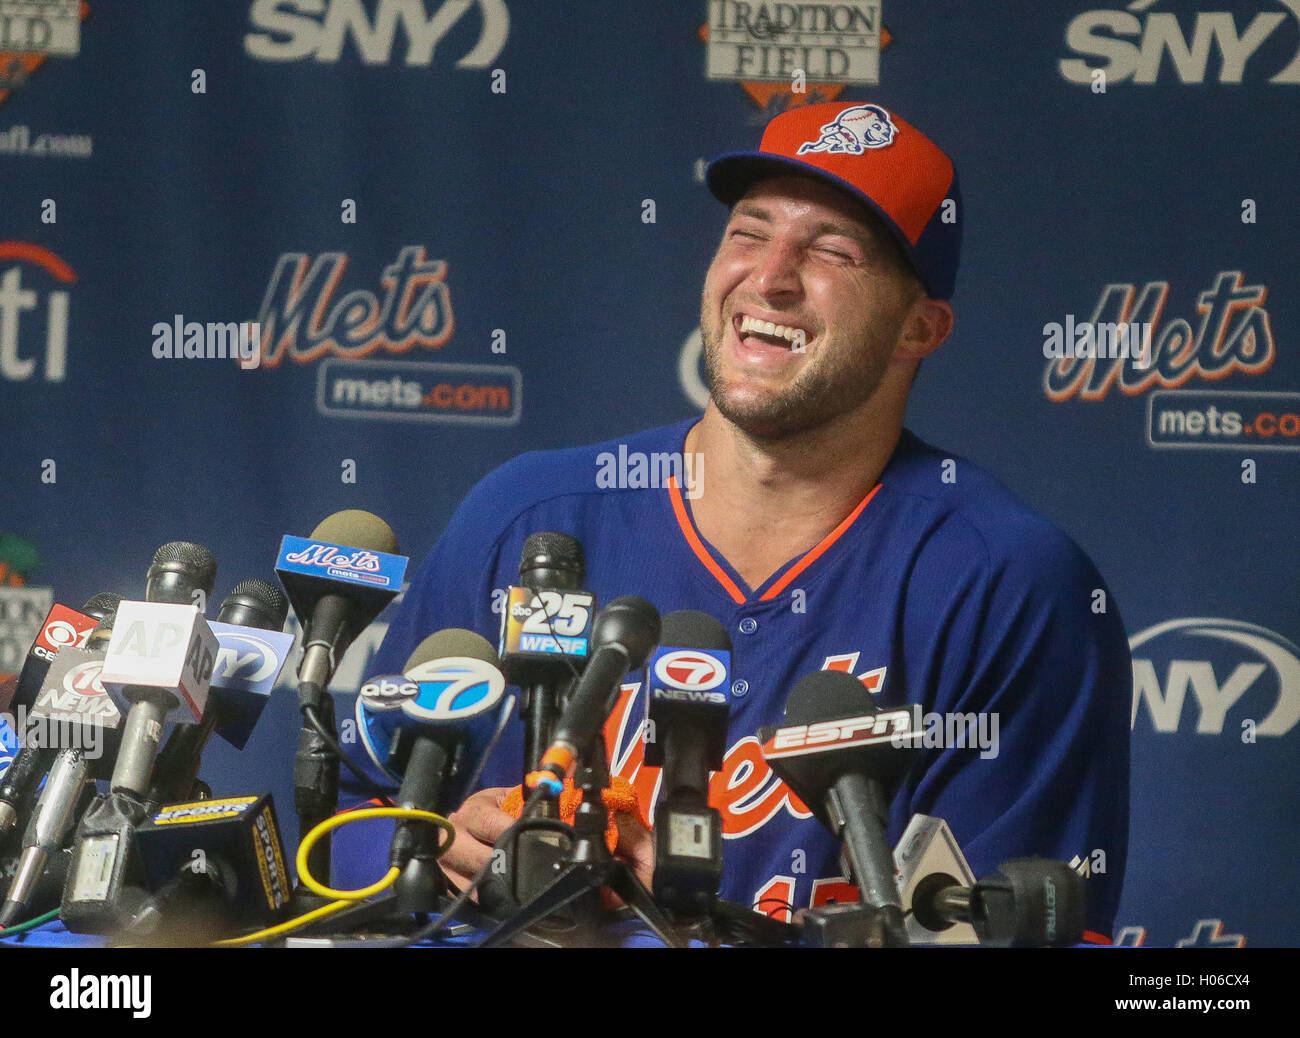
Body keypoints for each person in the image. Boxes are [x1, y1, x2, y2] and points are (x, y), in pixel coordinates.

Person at [339, 101, 1131, 941]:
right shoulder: (530, 514)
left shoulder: (1009, 583)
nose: (771, 276)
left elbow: (1020, 930)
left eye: (833, 249)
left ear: (919, 326)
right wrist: (428, 847)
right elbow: (355, 821)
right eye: (749, 233)